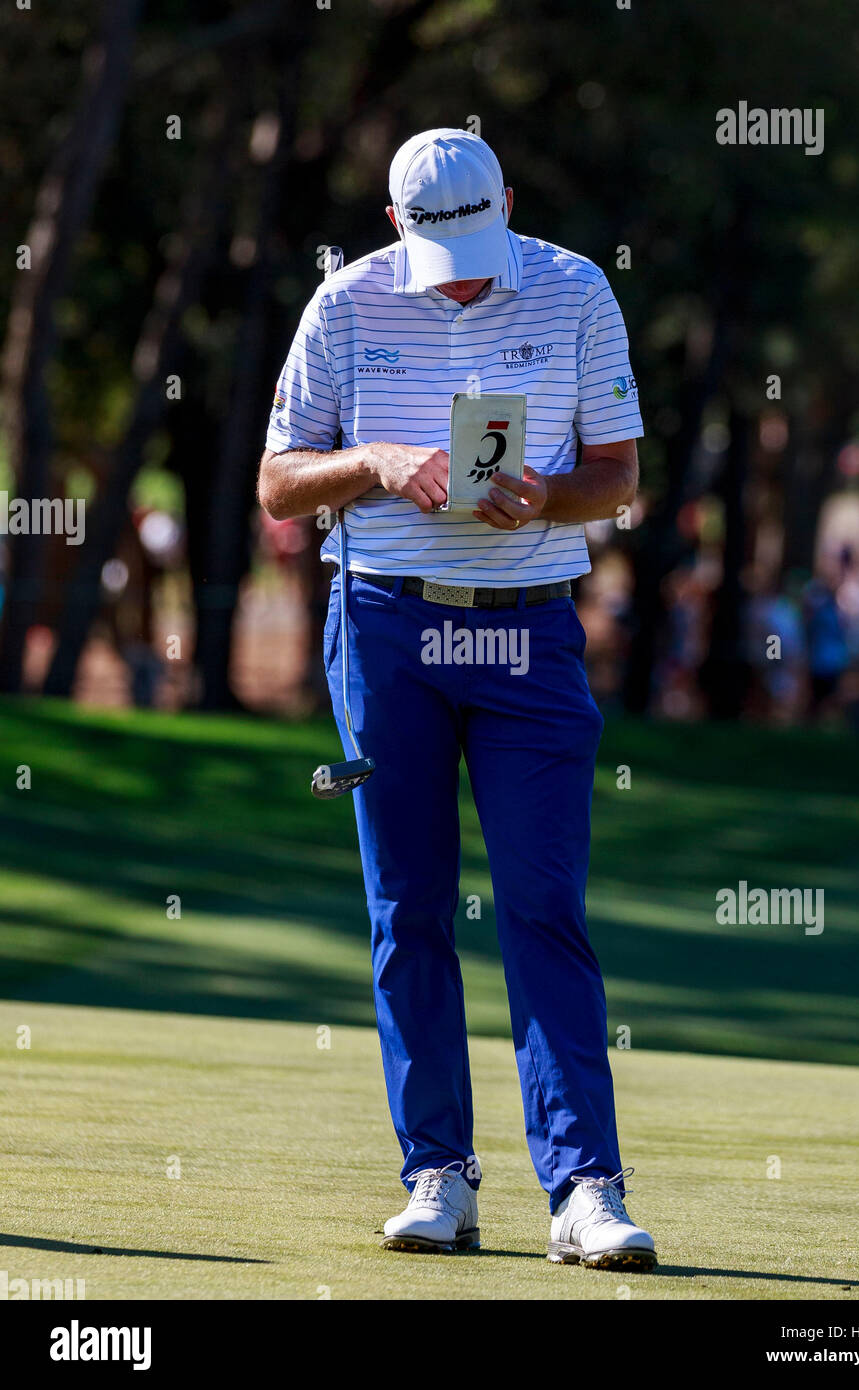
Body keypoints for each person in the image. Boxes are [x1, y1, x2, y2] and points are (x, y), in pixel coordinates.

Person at [258, 128, 656, 1271]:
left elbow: (618, 475)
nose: (465, 281)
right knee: (410, 906)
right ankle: (438, 1174)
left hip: (528, 631)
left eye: (480, 249)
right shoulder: (344, 304)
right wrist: (377, 462)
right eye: (443, 256)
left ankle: (584, 1189)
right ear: (396, 226)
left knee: (542, 901)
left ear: (509, 205)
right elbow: (280, 482)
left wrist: (545, 500)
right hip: (385, 625)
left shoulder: (577, 290)